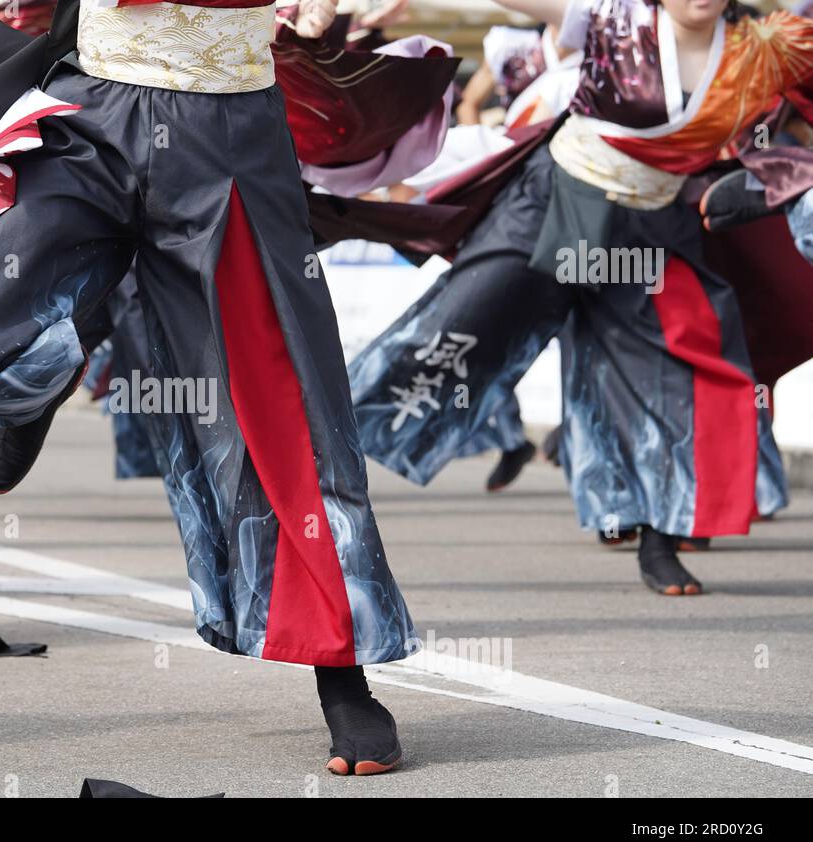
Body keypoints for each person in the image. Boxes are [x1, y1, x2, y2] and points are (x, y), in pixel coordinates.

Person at [0, 0, 432, 774]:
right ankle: (23, 395)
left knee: (280, 402)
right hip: (89, 110)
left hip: (227, 136)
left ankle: (343, 677)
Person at [345, 0, 813, 596]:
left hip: (652, 226)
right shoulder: (607, 16)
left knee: (672, 375)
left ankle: (660, 540)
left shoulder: (769, 44)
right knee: (454, 329)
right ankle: (319, 451)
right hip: (555, 205)